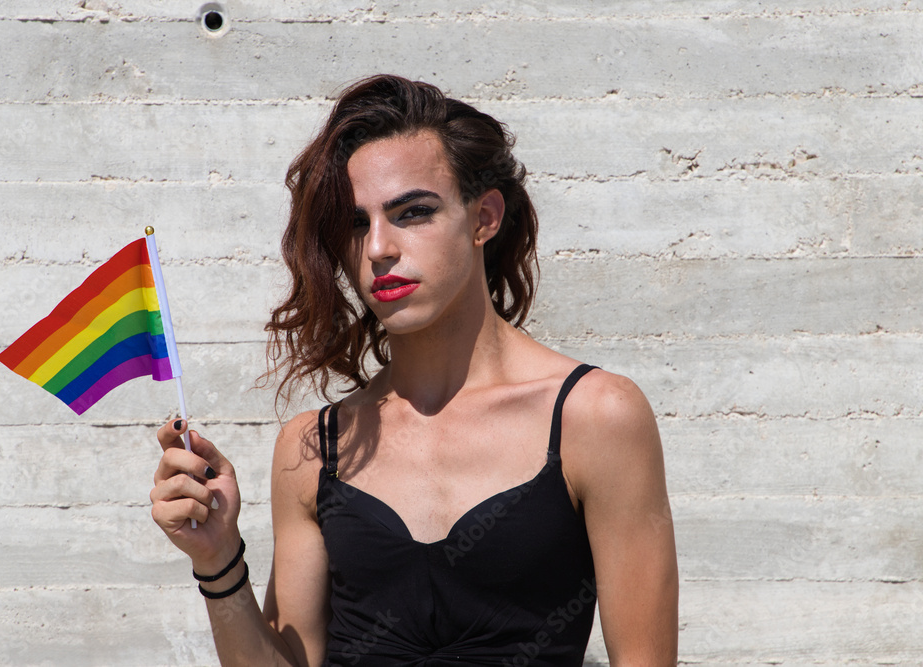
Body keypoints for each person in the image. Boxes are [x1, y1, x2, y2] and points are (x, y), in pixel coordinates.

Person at [150, 74, 678, 666]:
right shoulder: (316, 447)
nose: (377, 248)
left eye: (413, 212)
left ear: (484, 217)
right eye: (356, 223)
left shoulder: (596, 417)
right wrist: (217, 560)